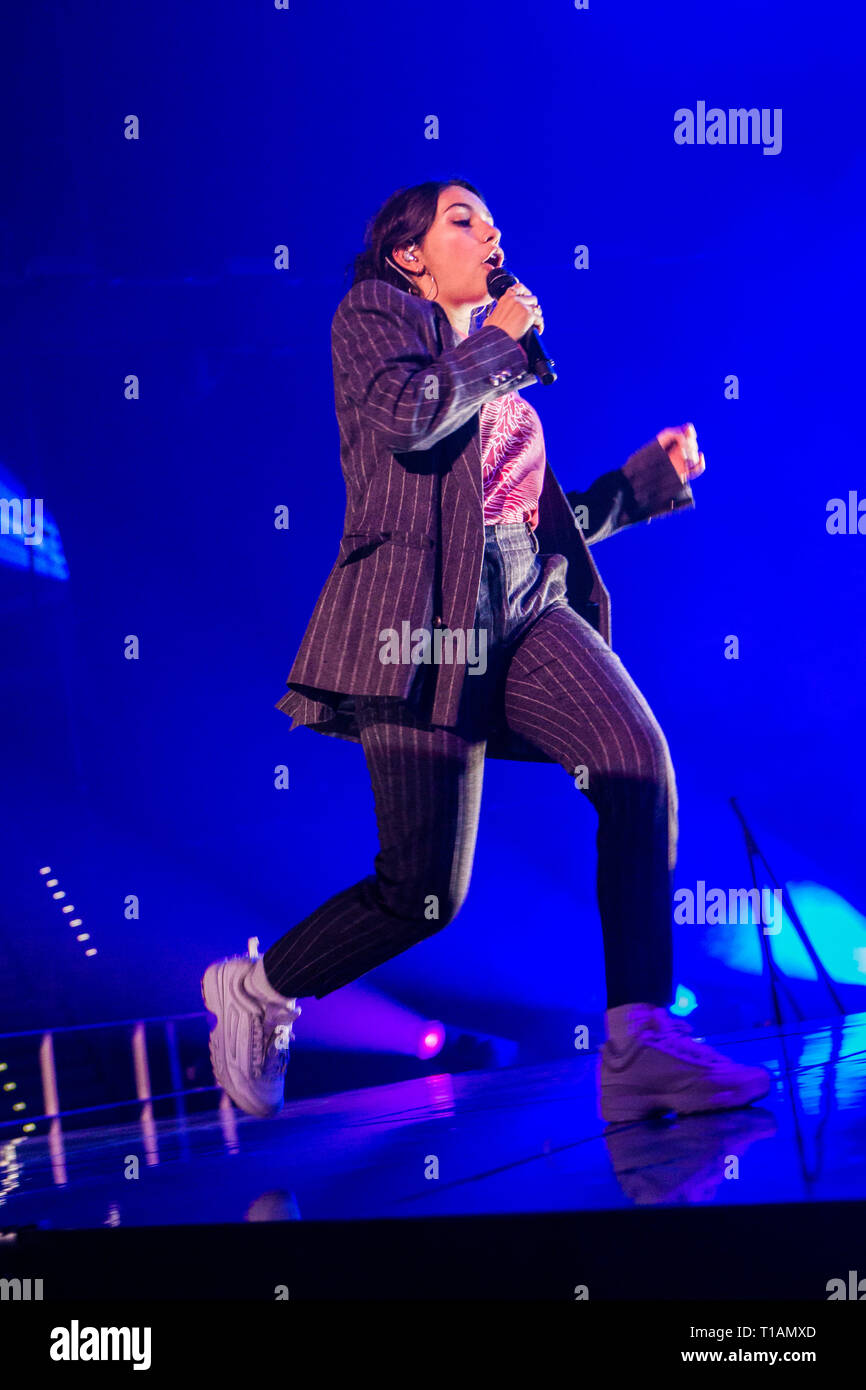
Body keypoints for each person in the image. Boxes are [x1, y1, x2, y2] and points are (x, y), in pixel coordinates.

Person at [202, 178, 771, 1124]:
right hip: (420, 625)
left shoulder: (496, 365)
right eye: (462, 219)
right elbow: (412, 419)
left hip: (527, 605)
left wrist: (643, 481)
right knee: (423, 892)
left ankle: (639, 1043)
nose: (491, 231)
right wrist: (498, 341)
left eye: (495, 221)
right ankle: (262, 990)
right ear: (409, 256)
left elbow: (531, 527)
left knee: (634, 763)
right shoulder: (375, 317)